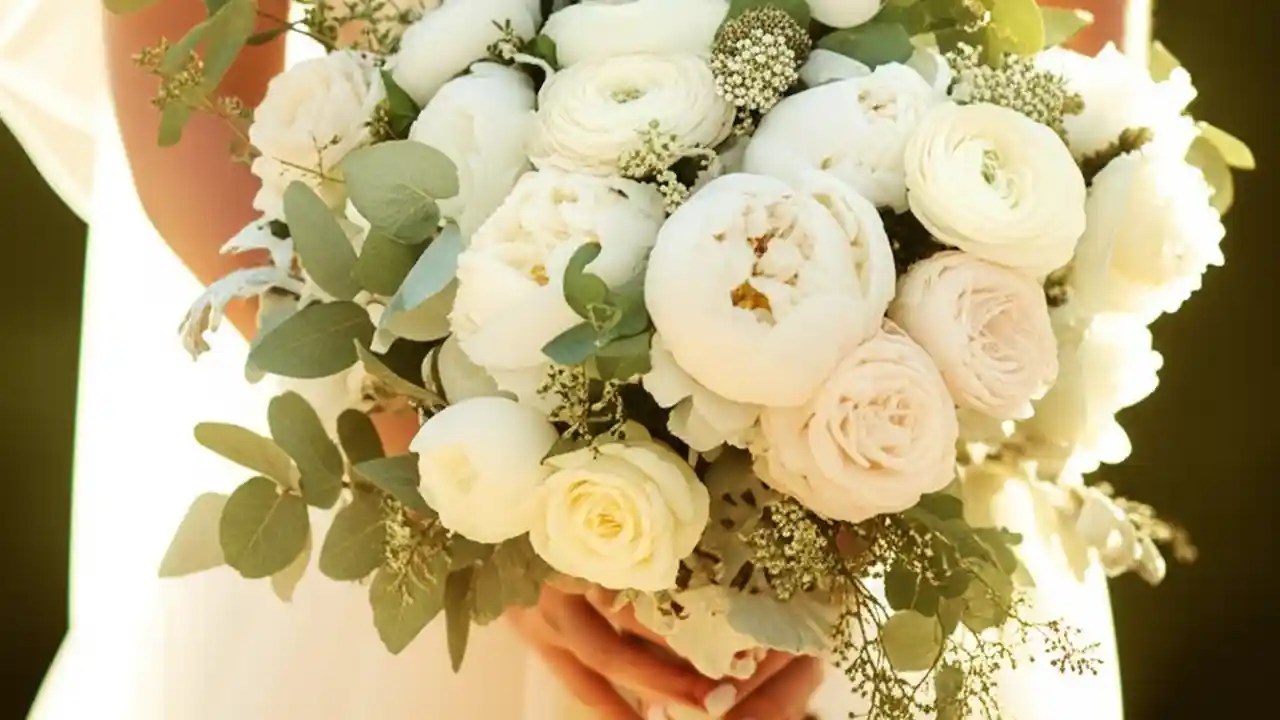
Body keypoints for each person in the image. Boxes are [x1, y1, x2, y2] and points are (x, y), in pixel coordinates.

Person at [0, 1, 1141, 717]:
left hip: (887, 439)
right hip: (402, 445)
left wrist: (851, 470)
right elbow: (177, 59)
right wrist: (443, 470)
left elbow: (1082, 50)